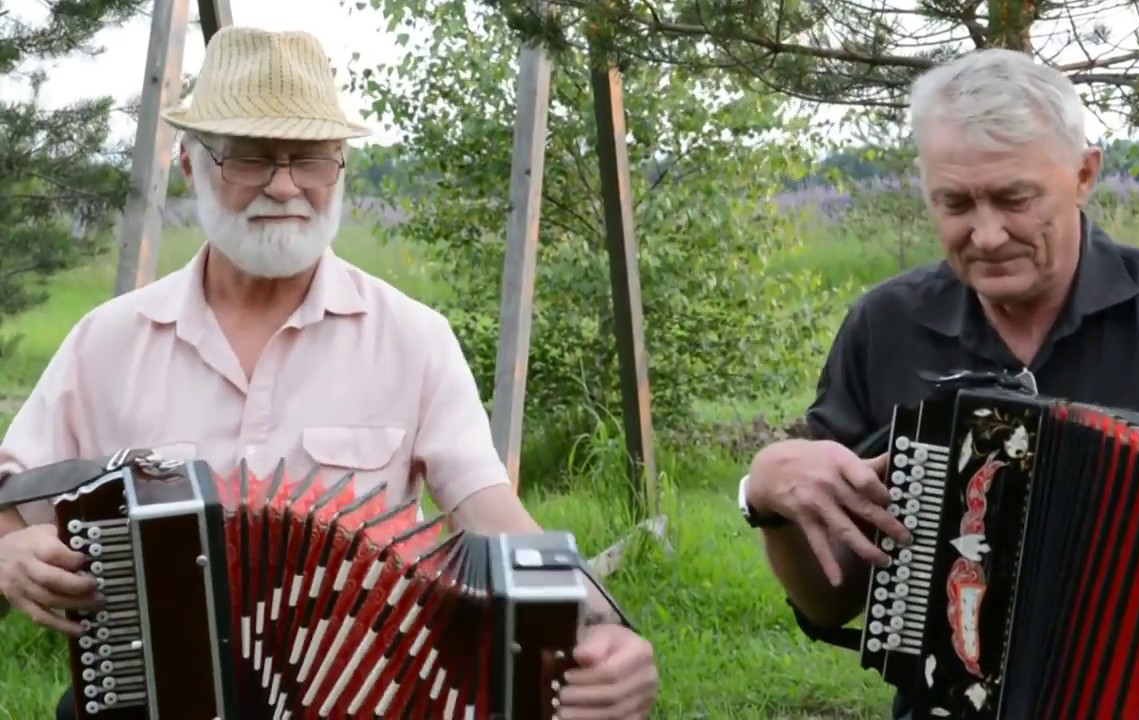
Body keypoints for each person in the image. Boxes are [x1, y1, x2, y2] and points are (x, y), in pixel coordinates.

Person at [0, 26, 658, 719]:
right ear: (190, 165)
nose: (284, 186)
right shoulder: (108, 342)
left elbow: (495, 518)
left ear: (339, 164)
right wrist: (9, 559)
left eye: (311, 159)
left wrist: (609, 629)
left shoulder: (413, 339)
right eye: (250, 159)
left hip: (357, 697)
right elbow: (10, 503)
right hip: (157, 697)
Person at [736, 48, 1139, 719]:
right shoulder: (887, 325)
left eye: (1015, 198)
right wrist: (768, 498)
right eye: (955, 202)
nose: (986, 235)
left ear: (1085, 175)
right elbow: (832, 599)